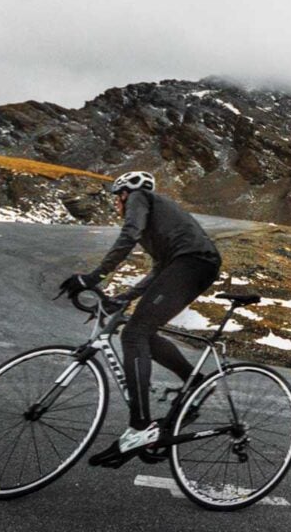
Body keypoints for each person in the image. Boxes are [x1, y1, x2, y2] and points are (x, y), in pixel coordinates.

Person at [60, 171, 222, 454]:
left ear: (124, 194)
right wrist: (121, 298)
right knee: (141, 333)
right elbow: (159, 271)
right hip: (196, 265)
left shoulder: (139, 197)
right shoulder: (157, 226)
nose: (117, 207)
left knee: (133, 335)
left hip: (193, 263)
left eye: (117, 200)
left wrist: (93, 277)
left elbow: (128, 234)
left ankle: (140, 427)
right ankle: (197, 384)